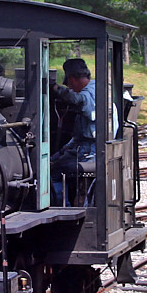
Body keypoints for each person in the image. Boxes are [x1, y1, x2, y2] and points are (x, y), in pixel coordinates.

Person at [50, 58, 96, 205]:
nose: (69, 86)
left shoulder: (88, 95)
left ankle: (62, 208)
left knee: (53, 172)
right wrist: (58, 153)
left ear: (71, 79)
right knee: (55, 161)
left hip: (91, 151)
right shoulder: (98, 87)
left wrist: (56, 89)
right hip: (89, 147)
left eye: (68, 84)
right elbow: (75, 139)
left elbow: (79, 101)